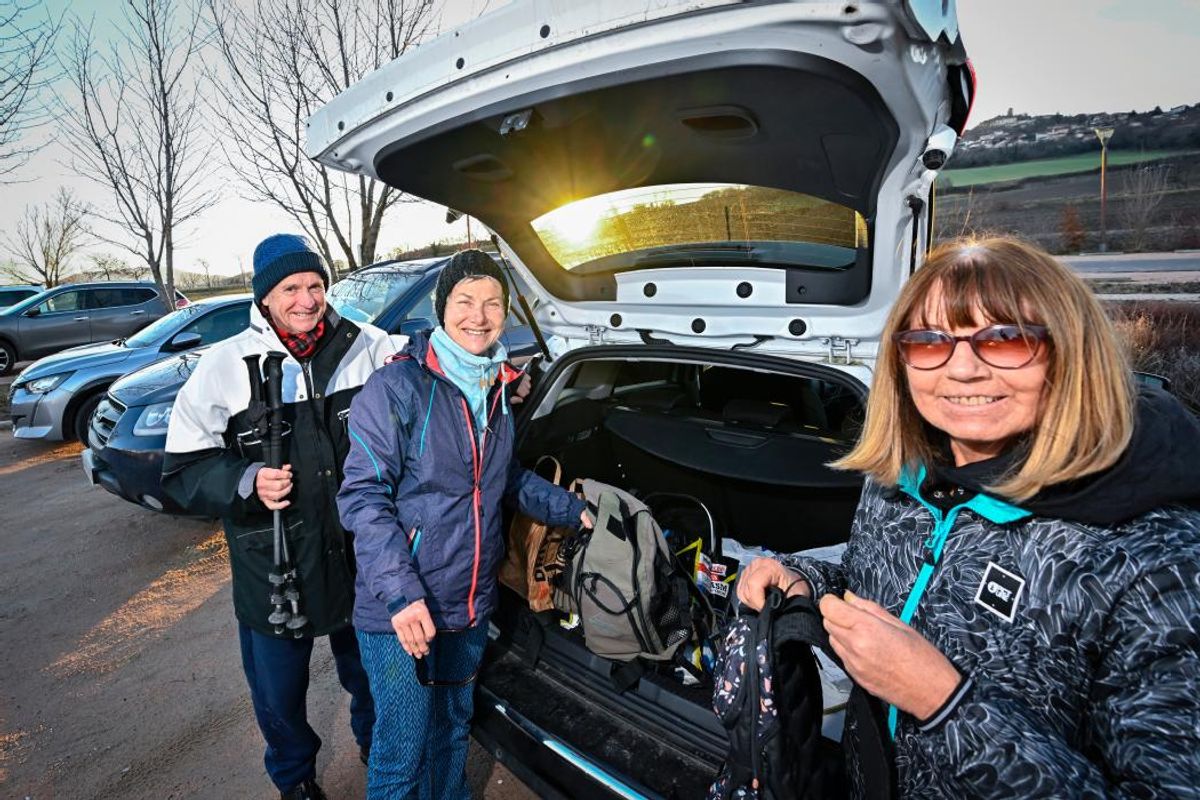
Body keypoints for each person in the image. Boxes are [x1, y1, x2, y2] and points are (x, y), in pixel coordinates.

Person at [738, 235, 1200, 798]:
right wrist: (806, 582)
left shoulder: (1157, 560)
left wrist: (943, 702)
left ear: (1071, 352)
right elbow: (882, 584)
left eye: (1005, 339)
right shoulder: (899, 481)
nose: (962, 370)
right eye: (930, 341)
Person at [337, 248, 591, 800]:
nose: (478, 316)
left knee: (453, 729)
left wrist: (576, 510)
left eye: (492, 303)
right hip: (401, 611)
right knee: (401, 752)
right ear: (440, 307)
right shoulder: (395, 388)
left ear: (506, 314)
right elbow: (362, 497)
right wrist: (403, 597)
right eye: (465, 301)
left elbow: (503, 478)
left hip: (469, 602)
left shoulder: (493, 387)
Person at [162, 233, 403, 800]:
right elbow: (180, 471)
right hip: (274, 564)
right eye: (291, 287)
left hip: (356, 553)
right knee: (279, 695)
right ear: (265, 298)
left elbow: (433, 372)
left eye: (316, 285)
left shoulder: (367, 345)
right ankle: (295, 781)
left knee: (371, 675)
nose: (306, 299)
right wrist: (245, 480)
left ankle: (380, 753)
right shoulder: (224, 366)